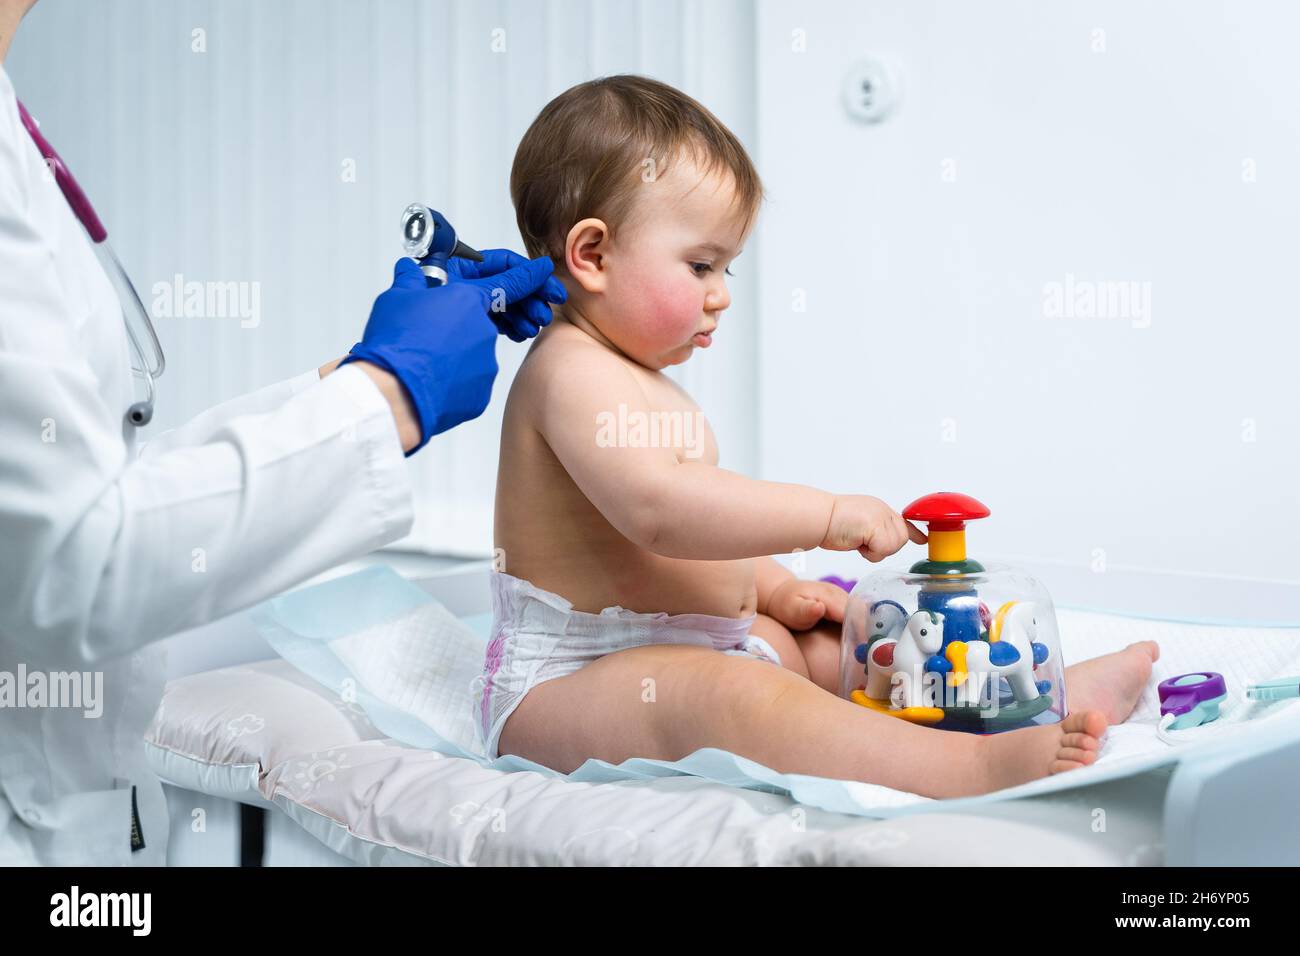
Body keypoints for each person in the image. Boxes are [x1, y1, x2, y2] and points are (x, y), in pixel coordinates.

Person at [478, 75, 1159, 797]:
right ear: (591, 255)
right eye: (701, 264)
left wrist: (770, 585)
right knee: (720, 697)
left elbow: (688, 537)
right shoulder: (570, 373)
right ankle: (971, 768)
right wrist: (825, 517)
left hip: (689, 641)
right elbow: (659, 510)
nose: (723, 293)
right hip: (568, 682)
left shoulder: (640, 374)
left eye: (728, 267)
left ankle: (1014, 700)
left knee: (844, 646)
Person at [0, 0, 563, 864]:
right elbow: (73, 561)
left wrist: (359, 380)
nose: (716, 294)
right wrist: (390, 393)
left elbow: (89, 491)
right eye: (700, 262)